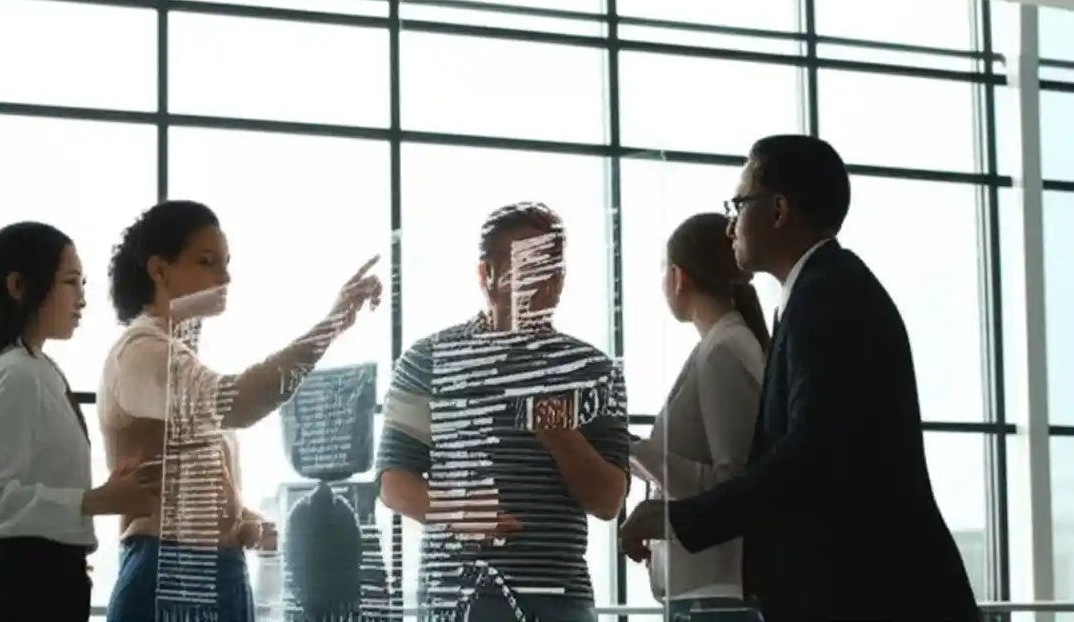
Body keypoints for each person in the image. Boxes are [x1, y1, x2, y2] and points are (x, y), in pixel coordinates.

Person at [618, 135, 981, 621]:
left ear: (778, 210)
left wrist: (678, 518)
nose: (731, 224)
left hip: (874, 594)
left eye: (740, 202)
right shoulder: (820, 291)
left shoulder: (827, 296)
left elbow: (809, 456)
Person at [99, 200, 383, 622]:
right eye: (207, 261)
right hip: (172, 576)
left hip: (214, 574)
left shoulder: (179, 360)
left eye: (226, 262)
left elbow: (191, 476)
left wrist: (242, 520)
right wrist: (333, 323)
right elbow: (237, 403)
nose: (225, 277)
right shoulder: (141, 353)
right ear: (159, 270)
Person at [378, 202, 629, 622]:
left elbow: (608, 502)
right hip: (455, 600)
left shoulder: (593, 370)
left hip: (558, 601)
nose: (544, 285)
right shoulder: (429, 359)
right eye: (525, 267)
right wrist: (462, 514)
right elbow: (392, 484)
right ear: (486, 275)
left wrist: (560, 435)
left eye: (552, 270)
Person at [0, 221, 160, 622]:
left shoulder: (38, 370)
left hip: (41, 588)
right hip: (18, 595)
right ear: (19, 286)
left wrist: (106, 493)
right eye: (70, 282)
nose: (82, 299)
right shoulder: (16, 374)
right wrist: (94, 500)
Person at [631, 212, 767, 621]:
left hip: (716, 594)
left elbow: (733, 485)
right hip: (706, 590)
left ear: (678, 277)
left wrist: (637, 452)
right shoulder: (722, 345)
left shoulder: (724, 350)